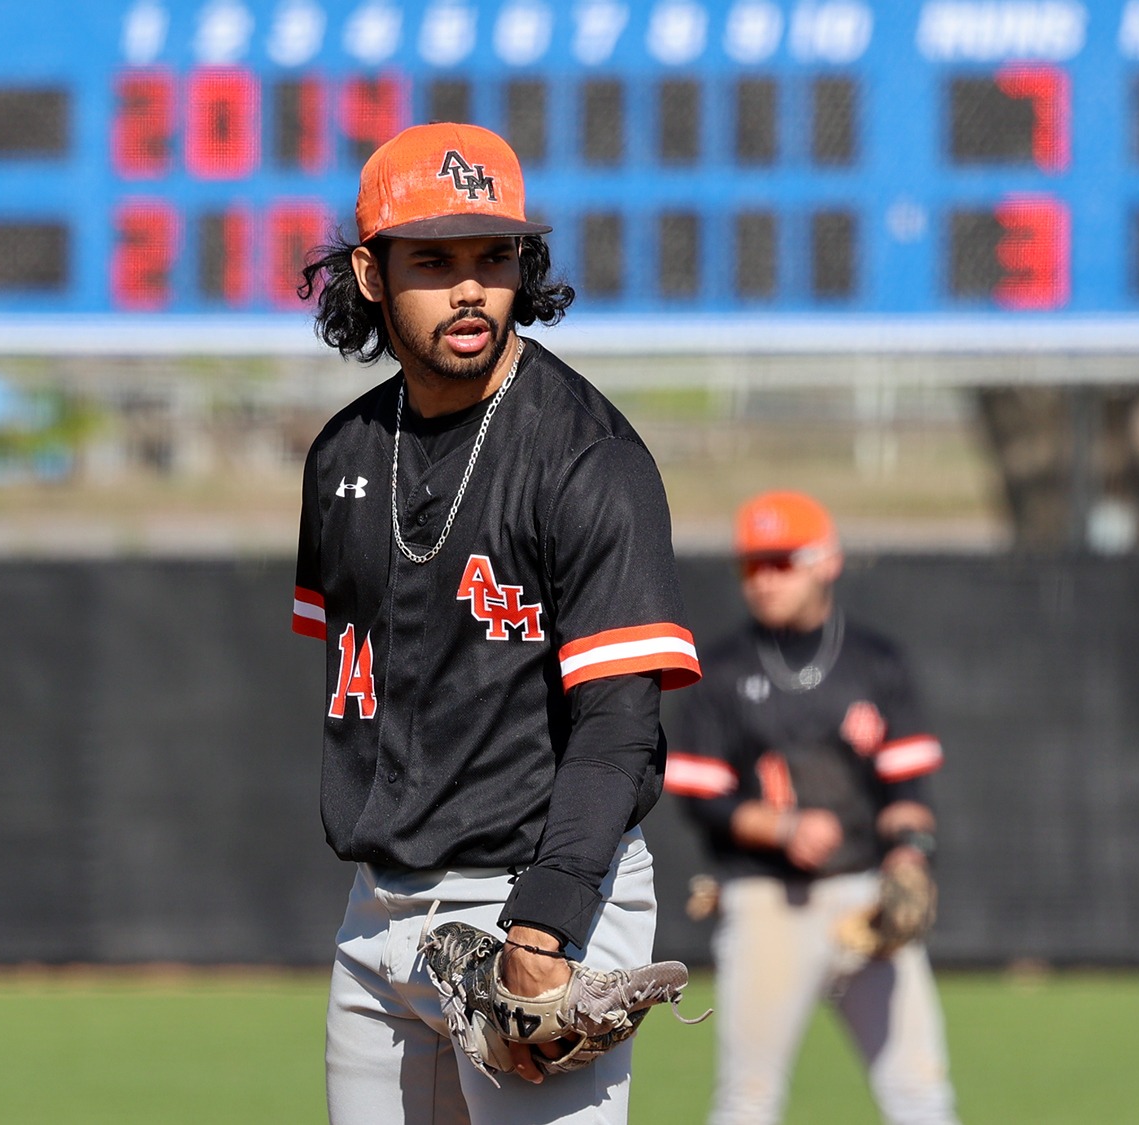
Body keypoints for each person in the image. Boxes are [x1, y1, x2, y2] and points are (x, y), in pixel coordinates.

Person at [291, 121, 703, 1124]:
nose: (469, 288)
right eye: (432, 261)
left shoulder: (584, 457)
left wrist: (547, 924)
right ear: (371, 273)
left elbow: (618, 724)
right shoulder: (344, 456)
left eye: (493, 258)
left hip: (535, 896)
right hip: (377, 911)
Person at [666, 491, 959, 1125]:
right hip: (768, 900)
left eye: (781, 562)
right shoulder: (719, 670)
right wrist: (781, 826)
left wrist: (911, 860)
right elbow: (699, 794)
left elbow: (907, 792)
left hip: (865, 900)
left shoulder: (877, 664)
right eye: (752, 565)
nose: (764, 580)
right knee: (747, 1099)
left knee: (921, 1091)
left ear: (826, 561)